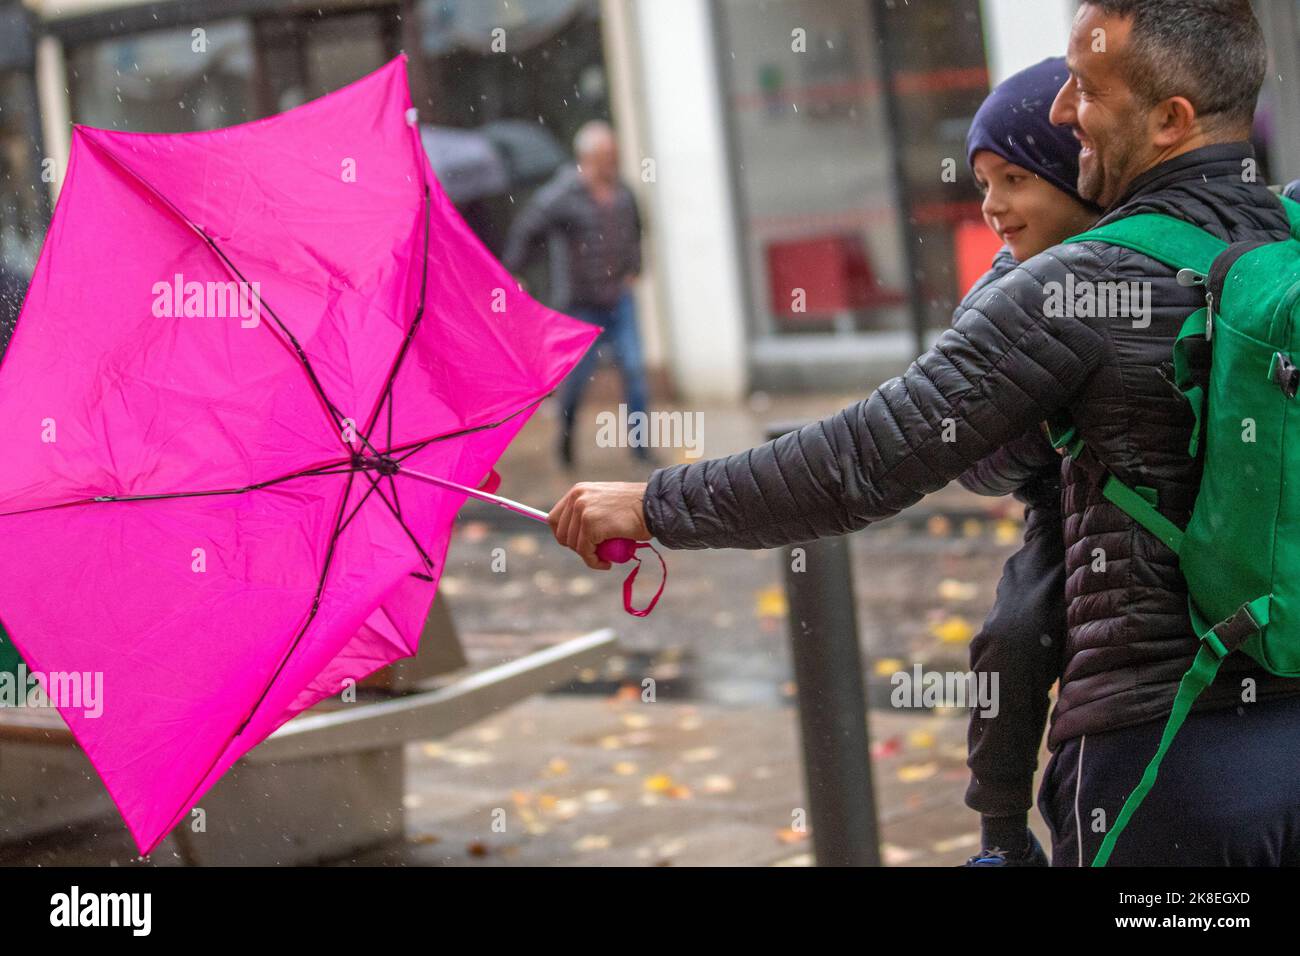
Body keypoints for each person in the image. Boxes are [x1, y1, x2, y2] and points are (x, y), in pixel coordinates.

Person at [549, 0, 1300, 865]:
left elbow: (863, 461)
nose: (1062, 111)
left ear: (1170, 120)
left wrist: (652, 503)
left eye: (1087, 91)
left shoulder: (1081, 285)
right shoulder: (1286, 243)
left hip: (1170, 761)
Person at [956, 56, 1102, 866]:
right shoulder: (1000, 295)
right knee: (1014, 634)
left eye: (1014, 177)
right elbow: (969, 455)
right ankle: (1002, 829)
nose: (993, 205)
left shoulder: (1151, 255)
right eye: (983, 182)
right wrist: (1043, 414)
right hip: (1060, 502)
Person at [502, 119, 654, 469]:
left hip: (619, 299)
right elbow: (528, 227)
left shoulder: (624, 193)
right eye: (604, 155)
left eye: (613, 154)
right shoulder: (563, 194)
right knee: (577, 382)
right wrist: (515, 270)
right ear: (586, 157)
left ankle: (641, 447)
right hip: (581, 305)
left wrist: (634, 269)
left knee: (634, 370)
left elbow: (636, 232)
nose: (611, 161)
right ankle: (566, 441)